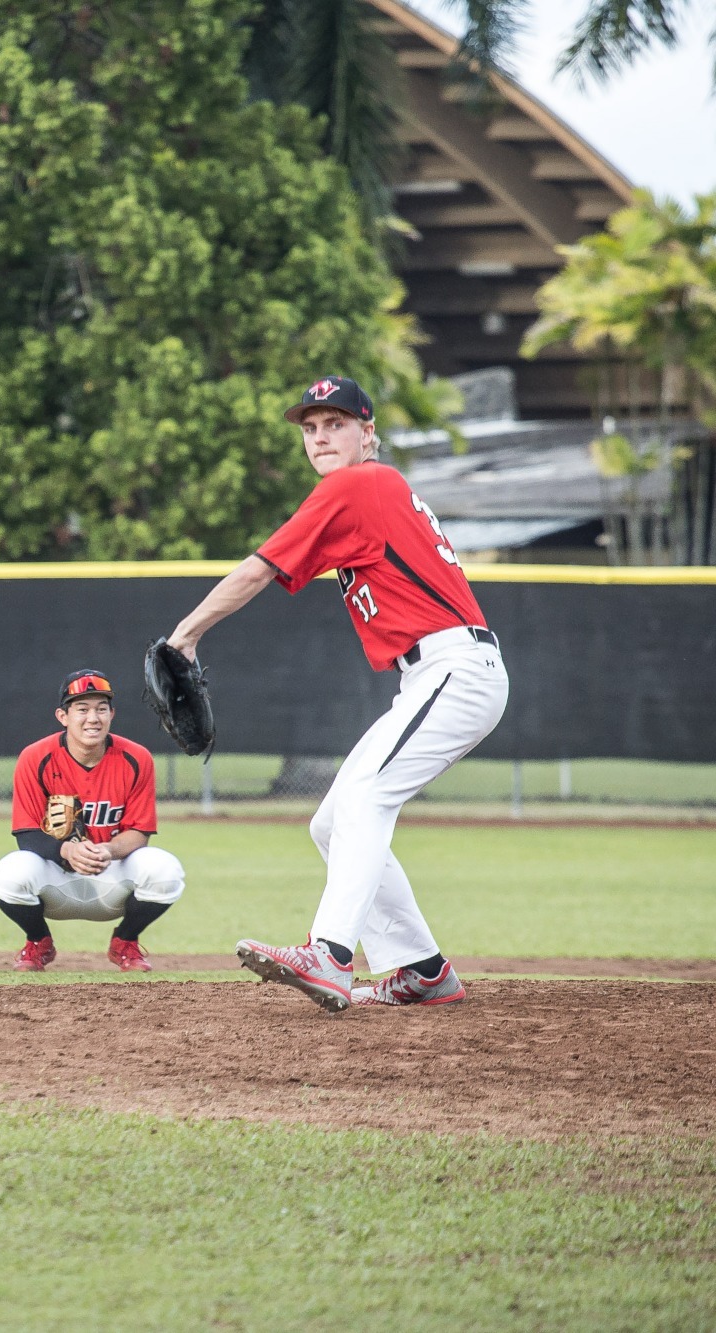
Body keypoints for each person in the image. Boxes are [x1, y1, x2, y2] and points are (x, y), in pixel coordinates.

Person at [167, 375, 508, 1011]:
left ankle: (330, 955)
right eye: (311, 427)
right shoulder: (367, 491)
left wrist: (184, 636)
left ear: (368, 433)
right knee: (333, 823)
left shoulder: (358, 483)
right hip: (437, 673)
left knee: (367, 800)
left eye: (337, 423)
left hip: (455, 669)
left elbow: (258, 570)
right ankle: (421, 969)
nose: (321, 436)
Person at [0, 671, 184, 973]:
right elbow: (26, 834)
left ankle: (125, 942)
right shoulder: (35, 757)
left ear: (111, 714)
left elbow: (139, 833)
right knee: (8, 875)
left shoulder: (137, 758)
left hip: (112, 876)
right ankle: (38, 941)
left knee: (166, 870)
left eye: (101, 709)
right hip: (55, 878)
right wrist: (67, 850)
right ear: (62, 716)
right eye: (82, 709)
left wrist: (107, 850)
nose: (93, 718)